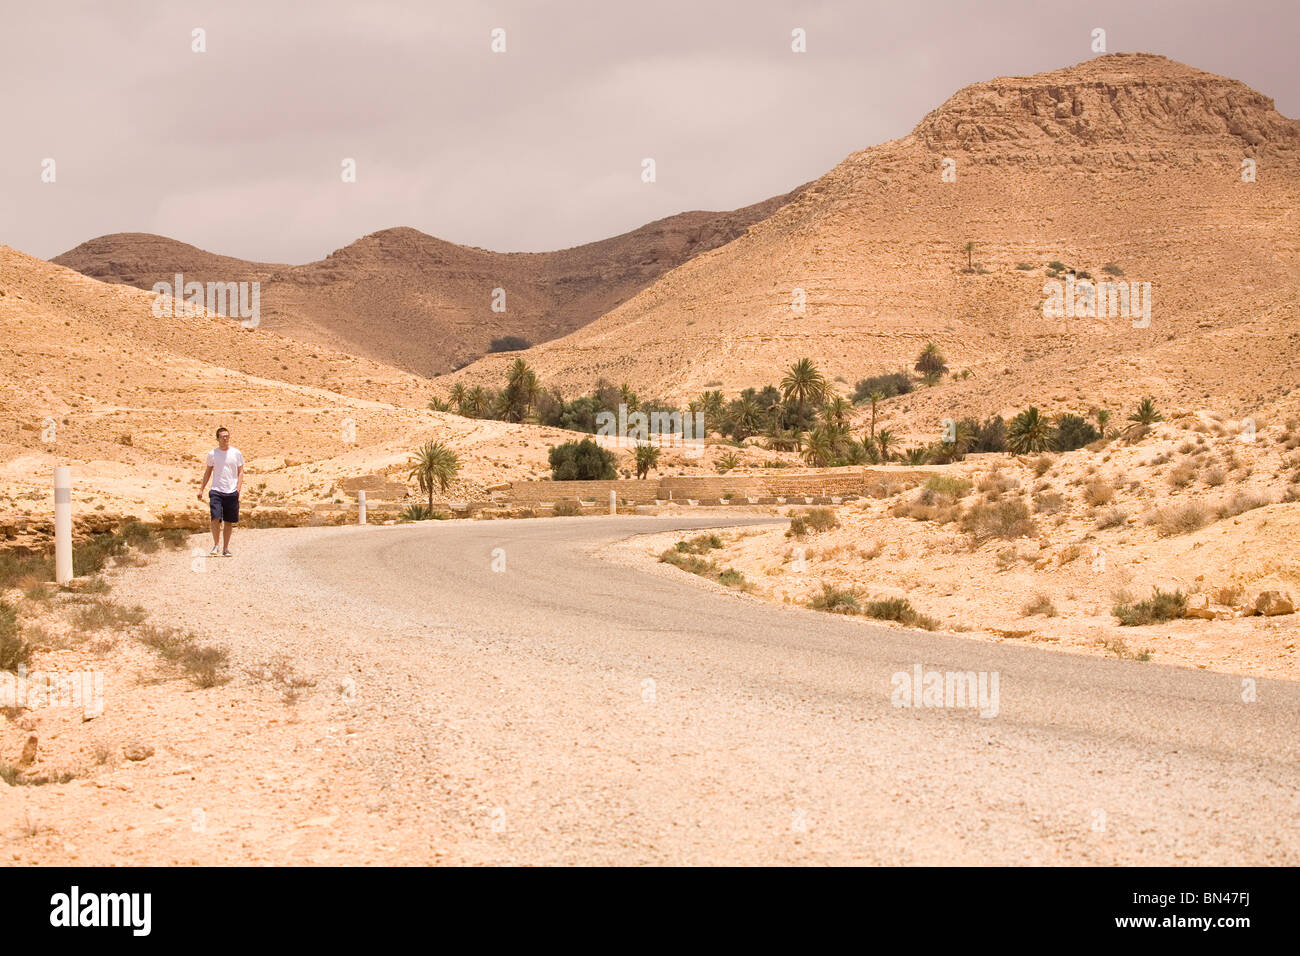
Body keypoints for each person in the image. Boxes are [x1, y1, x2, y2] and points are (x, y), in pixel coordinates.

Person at [197, 426, 244, 557]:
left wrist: (238, 490)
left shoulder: (236, 453)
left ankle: (226, 548)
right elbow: (208, 472)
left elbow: (241, 472)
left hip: (232, 491)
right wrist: (201, 489)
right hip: (216, 490)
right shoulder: (212, 454)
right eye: (223, 437)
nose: (225, 439)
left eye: (227, 436)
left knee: (229, 521)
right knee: (215, 517)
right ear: (217, 439)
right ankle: (216, 545)